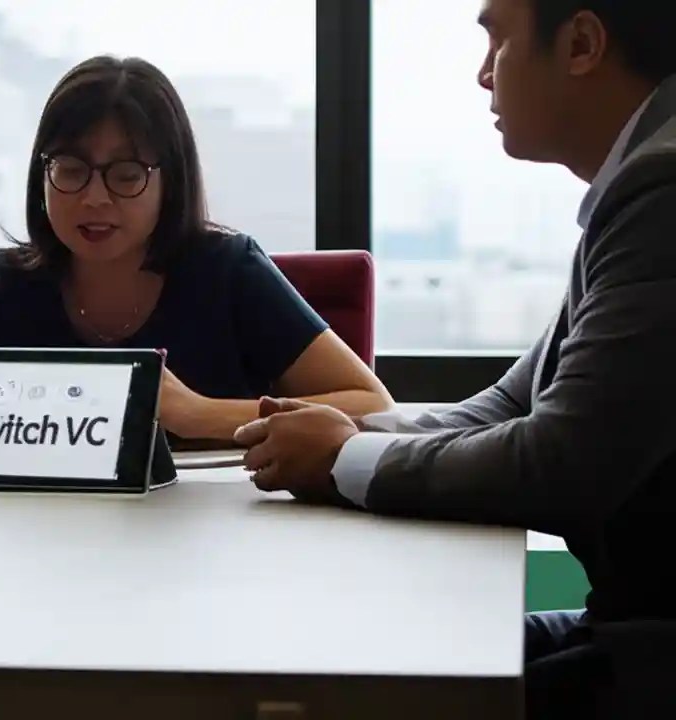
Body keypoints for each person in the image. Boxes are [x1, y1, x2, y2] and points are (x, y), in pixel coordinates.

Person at [232, 0, 676, 716]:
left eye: (498, 40)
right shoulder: (639, 180)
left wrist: (342, 459)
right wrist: (345, 438)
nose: (483, 73)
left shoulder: (662, 191)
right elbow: (512, 403)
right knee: (380, 656)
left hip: (651, 650)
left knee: (360, 691)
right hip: (630, 626)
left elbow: (559, 463)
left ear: (582, 44)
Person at [0, 56, 393, 456]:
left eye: (126, 175)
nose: (94, 198)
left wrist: (198, 412)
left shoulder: (229, 271)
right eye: (71, 170)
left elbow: (372, 405)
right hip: (42, 538)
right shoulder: (10, 282)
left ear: (170, 182)